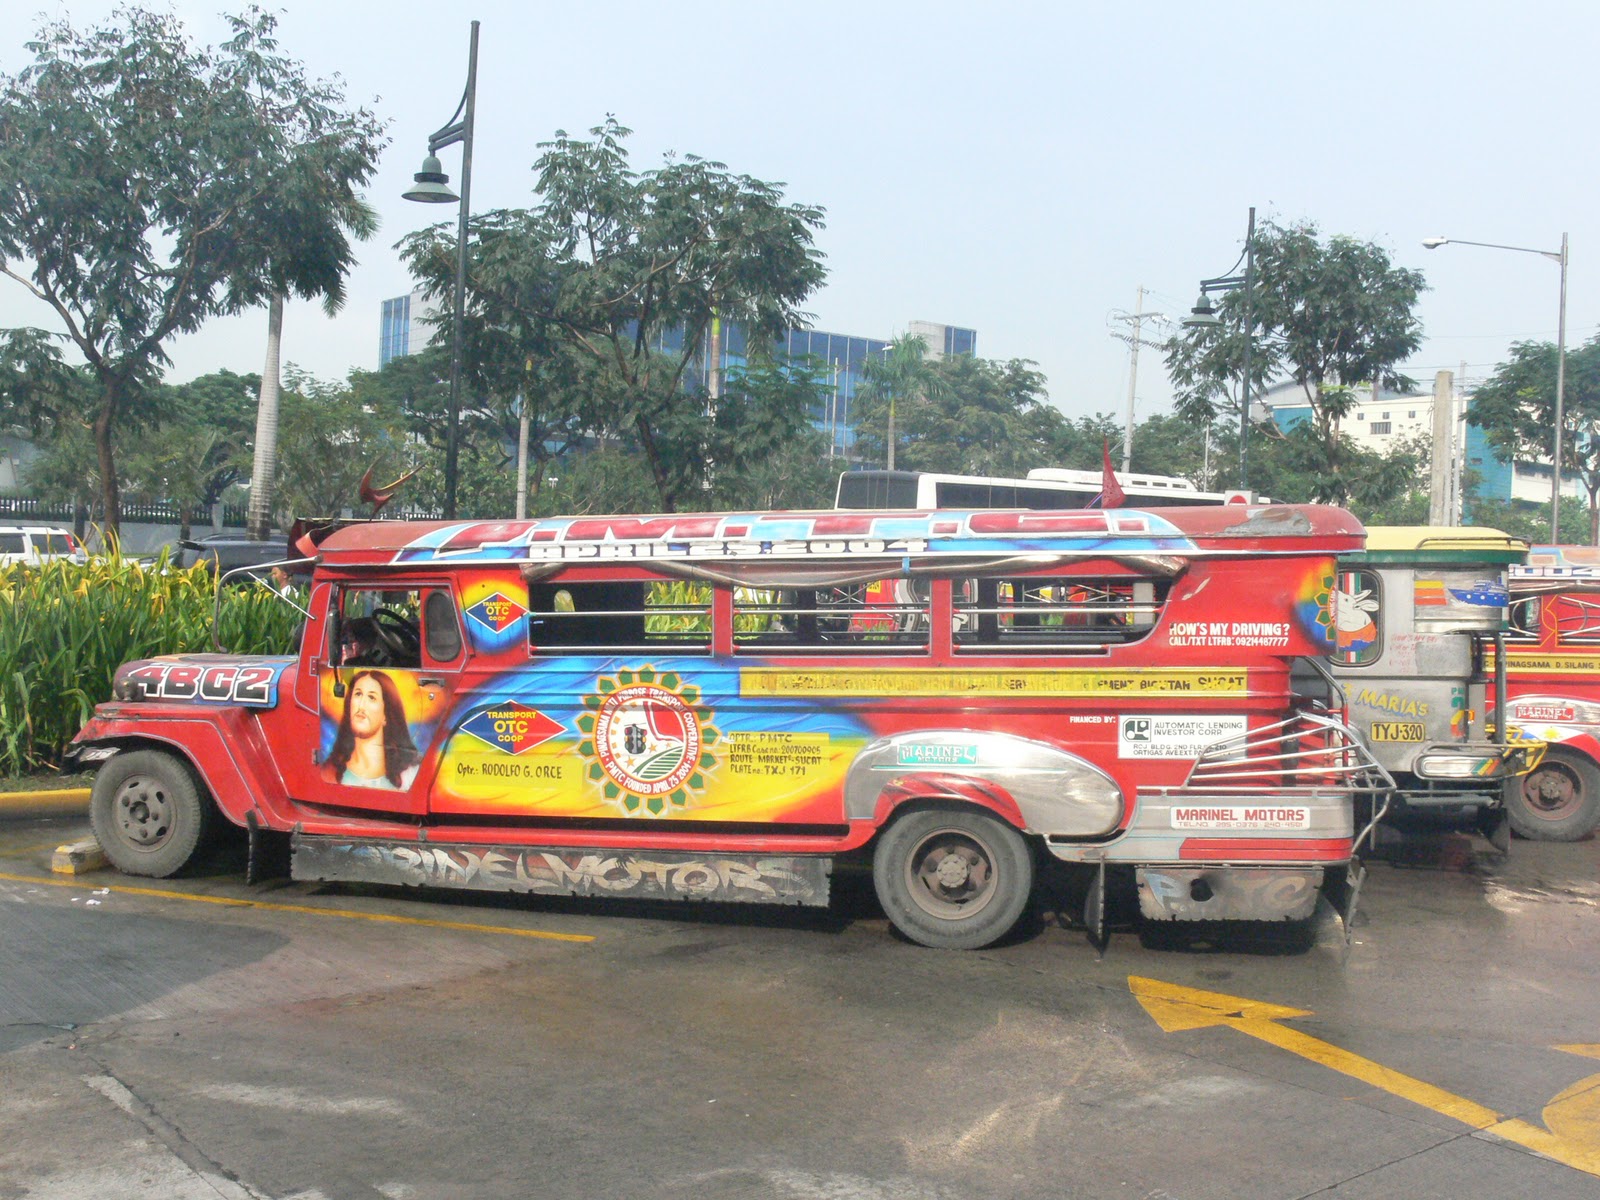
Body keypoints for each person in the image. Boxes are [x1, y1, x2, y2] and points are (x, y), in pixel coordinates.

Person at [319, 669, 420, 790]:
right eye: (358, 694)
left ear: (385, 715)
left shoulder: (411, 774)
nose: (361, 706)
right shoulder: (330, 773)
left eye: (372, 697)